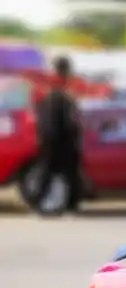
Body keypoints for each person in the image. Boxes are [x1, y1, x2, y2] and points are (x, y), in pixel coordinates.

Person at [32, 55, 82, 215]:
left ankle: (46, 203)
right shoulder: (64, 90)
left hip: (49, 136)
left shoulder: (48, 86)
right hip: (60, 137)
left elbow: (38, 109)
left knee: (52, 171)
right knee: (66, 172)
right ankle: (68, 204)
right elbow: (70, 119)